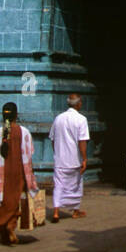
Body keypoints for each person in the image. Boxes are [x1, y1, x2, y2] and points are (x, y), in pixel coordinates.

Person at [0, 101, 40, 245]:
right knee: (14, 202)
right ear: (16, 115)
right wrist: (30, 176)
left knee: (1, 204)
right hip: (18, 173)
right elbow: (29, 156)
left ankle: (5, 233)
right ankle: (11, 226)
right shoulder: (24, 132)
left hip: (0, 176)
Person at [48, 93, 90, 221]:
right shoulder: (81, 119)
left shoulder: (58, 118)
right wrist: (84, 158)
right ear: (78, 104)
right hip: (74, 159)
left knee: (59, 185)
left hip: (60, 159)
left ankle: (56, 211)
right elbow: (82, 141)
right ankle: (75, 211)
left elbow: (52, 139)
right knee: (75, 185)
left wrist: (57, 152)